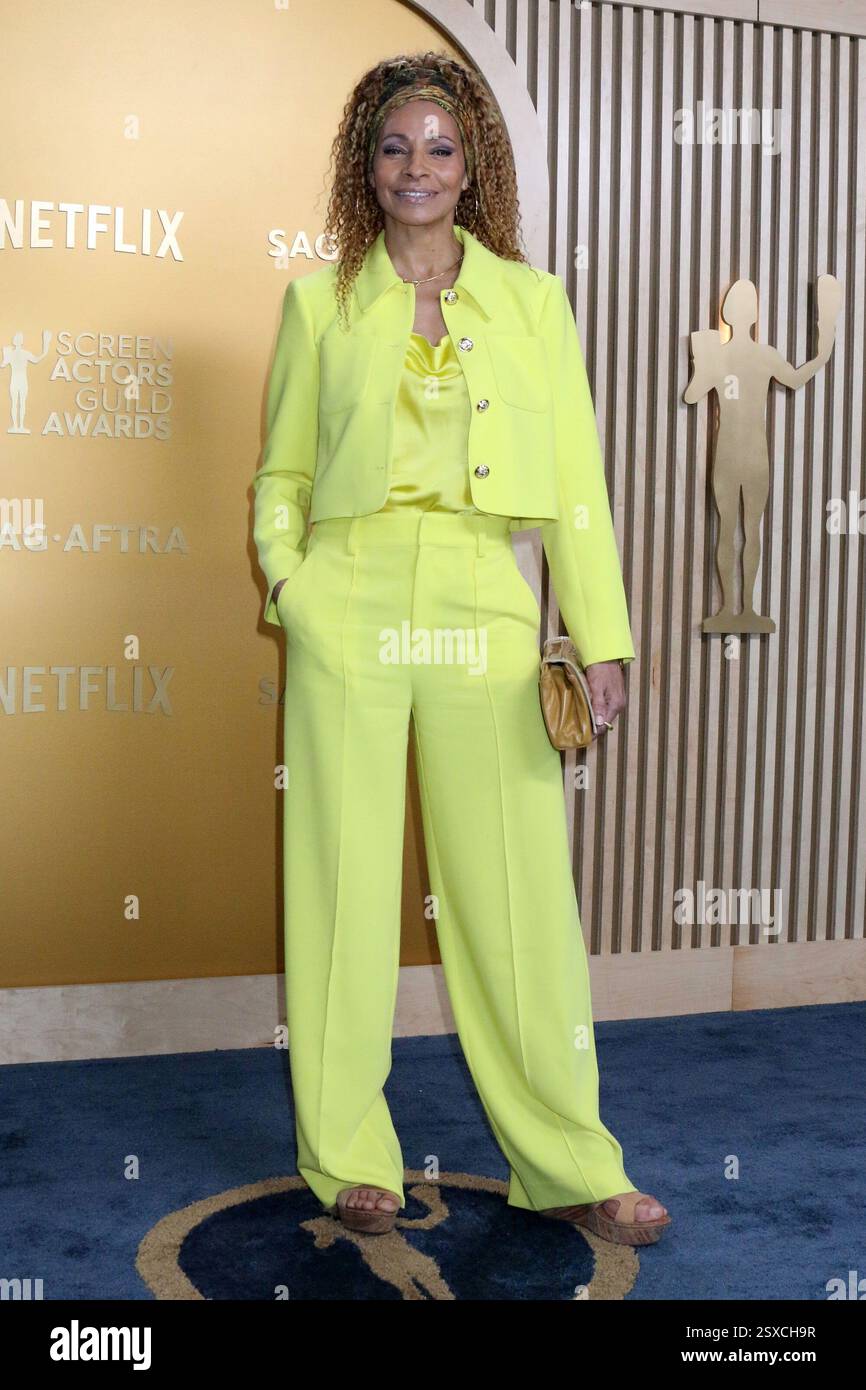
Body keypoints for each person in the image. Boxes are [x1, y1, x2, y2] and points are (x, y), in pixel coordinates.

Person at [252, 51, 670, 1247]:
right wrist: (295, 584)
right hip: (351, 604)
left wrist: (601, 635)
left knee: (518, 899)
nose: (415, 167)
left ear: (471, 162)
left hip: (487, 603)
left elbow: (576, 492)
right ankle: (346, 1157)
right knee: (339, 885)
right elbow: (279, 477)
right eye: (393, 148)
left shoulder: (533, 305)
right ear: (363, 167)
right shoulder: (317, 303)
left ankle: (569, 1159)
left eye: (438, 146)